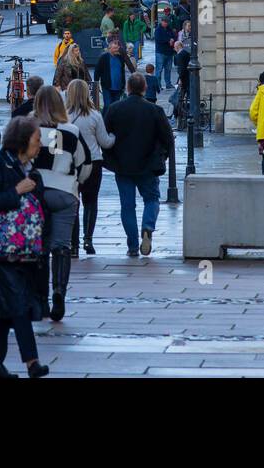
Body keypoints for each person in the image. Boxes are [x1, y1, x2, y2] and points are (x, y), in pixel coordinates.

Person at [0, 116, 51, 379]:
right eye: (37, 139)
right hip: (2, 249)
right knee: (18, 303)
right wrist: (17, 190)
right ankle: (32, 362)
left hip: (26, 250)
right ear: (22, 140)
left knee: (5, 310)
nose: (40, 145)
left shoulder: (31, 169)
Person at [30, 85, 90, 321]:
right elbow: (84, 164)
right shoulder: (71, 131)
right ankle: (59, 293)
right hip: (65, 191)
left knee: (40, 247)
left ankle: (41, 299)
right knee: (61, 246)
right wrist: (75, 182)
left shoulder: (29, 128)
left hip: (36, 193)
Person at [102, 72, 173, 258]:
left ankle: (132, 245)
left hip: (122, 165)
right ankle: (148, 227)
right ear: (145, 88)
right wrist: (162, 157)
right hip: (148, 164)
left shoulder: (114, 109)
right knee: (151, 199)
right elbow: (167, 138)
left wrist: (111, 159)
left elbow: (105, 136)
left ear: (127, 88)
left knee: (127, 206)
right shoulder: (154, 110)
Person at [65, 78, 114, 255]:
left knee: (73, 203)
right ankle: (88, 240)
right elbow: (105, 142)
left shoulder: (63, 116)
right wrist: (114, 137)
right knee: (91, 201)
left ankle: (73, 244)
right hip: (92, 162)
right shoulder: (94, 115)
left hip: (69, 164)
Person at [93, 34, 136, 110]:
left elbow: (127, 65)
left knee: (116, 107)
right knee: (108, 106)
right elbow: (97, 71)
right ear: (110, 48)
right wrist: (96, 84)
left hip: (118, 87)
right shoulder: (104, 57)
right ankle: (104, 121)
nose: (117, 49)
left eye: (118, 48)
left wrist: (135, 75)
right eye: (115, 48)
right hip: (107, 86)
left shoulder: (120, 57)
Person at [153, 13, 176, 89]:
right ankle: (158, 85)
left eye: (167, 22)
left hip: (169, 52)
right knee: (159, 70)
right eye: (164, 22)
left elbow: (174, 36)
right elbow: (158, 39)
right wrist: (168, 40)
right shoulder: (158, 30)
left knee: (168, 69)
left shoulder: (169, 29)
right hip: (160, 52)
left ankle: (168, 84)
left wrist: (172, 39)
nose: (166, 23)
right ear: (161, 21)